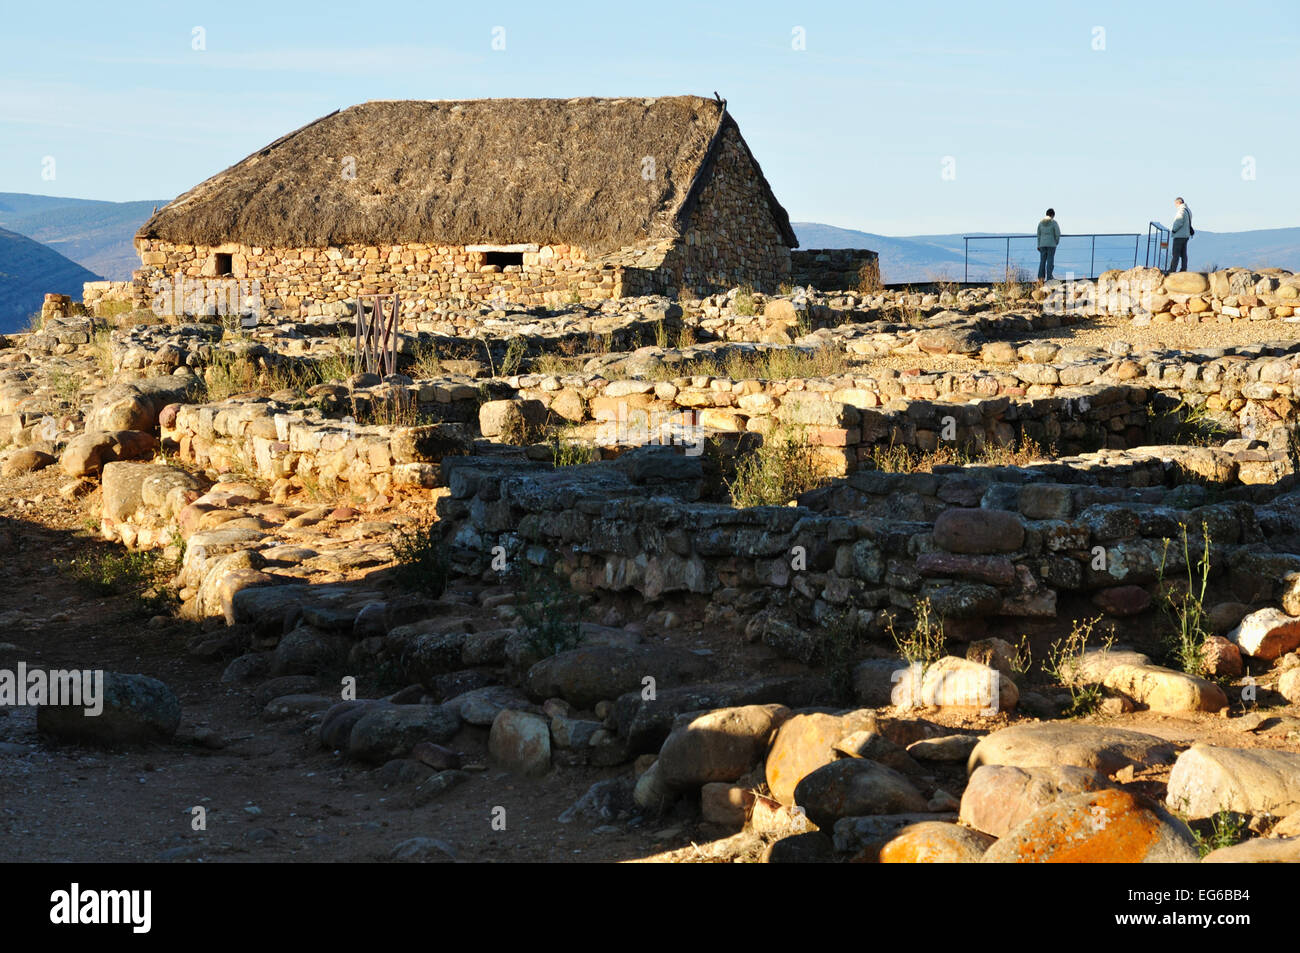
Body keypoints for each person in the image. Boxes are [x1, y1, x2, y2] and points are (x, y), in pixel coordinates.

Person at [1168, 197, 1193, 273]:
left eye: (1175, 204)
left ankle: (1172, 269)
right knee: (1183, 253)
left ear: (1178, 203)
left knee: (1175, 254)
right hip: (1186, 235)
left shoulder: (1181, 210)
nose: (1175, 206)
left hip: (1179, 235)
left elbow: (1179, 221)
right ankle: (1183, 268)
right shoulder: (1188, 210)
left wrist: (1174, 230)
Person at [1036, 209, 1061, 281]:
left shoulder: (1040, 223)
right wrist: (1056, 242)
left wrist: (1038, 245)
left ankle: (1041, 277)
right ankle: (1049, 277)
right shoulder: (1053, 222)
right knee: (1050, 261)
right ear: (1052, 215)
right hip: (1051, 244)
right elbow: (1057, 233)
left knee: (1042, 261)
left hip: (1042, 244)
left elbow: (1038, 234)